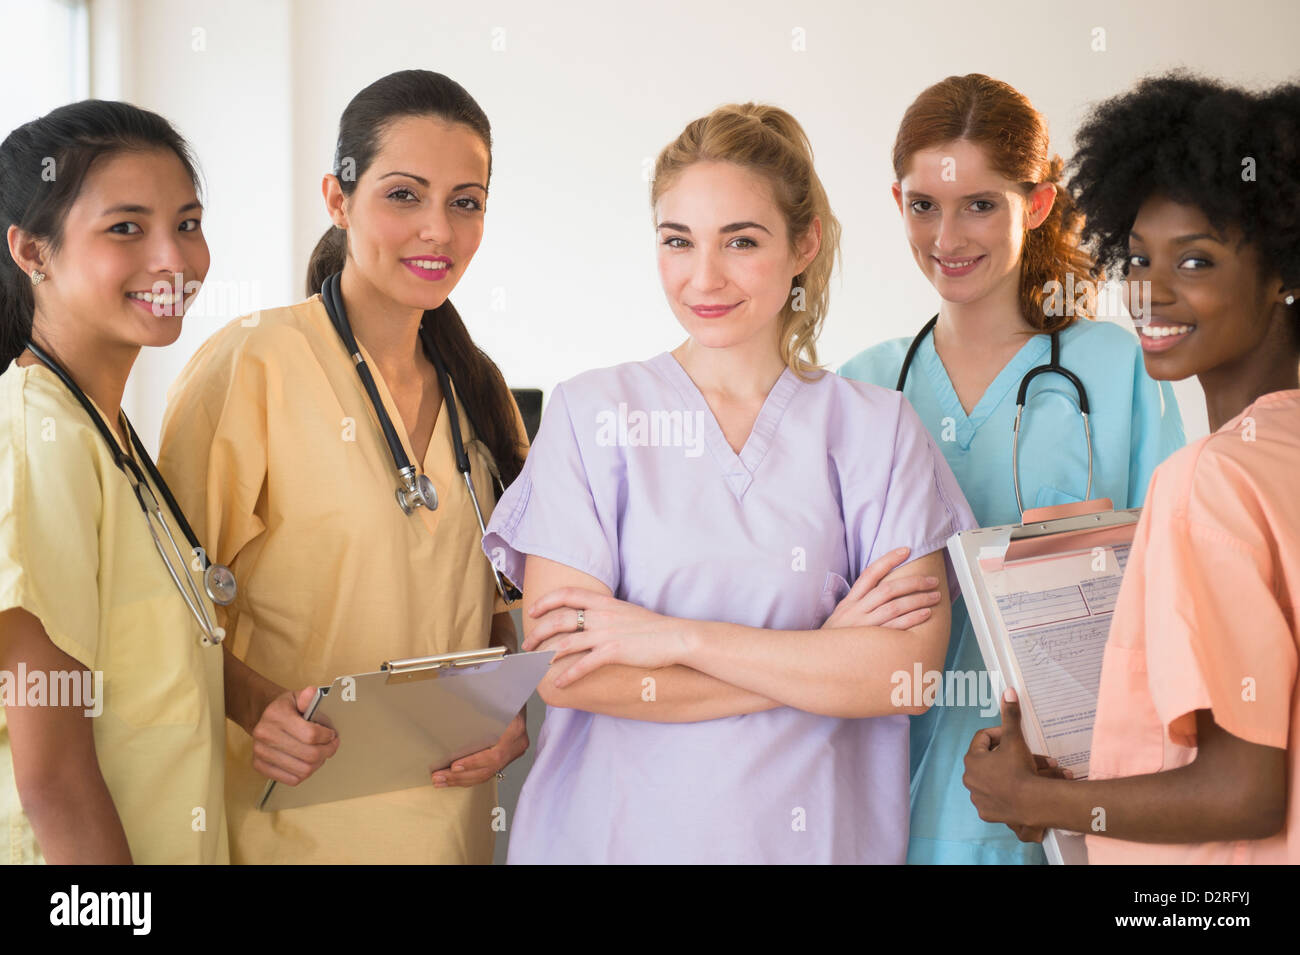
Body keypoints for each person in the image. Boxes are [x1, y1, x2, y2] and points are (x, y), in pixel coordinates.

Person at [482, 102, 977, 864]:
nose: (703, 277)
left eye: (741, 241)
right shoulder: (593, 415)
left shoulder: (879, 432)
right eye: (678, 241)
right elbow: (570, 675)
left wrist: (672, 637)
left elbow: (902, 676)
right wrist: (818, 659)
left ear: (803, 244)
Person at [158, 70, 530, 864]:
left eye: (465, 201)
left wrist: (506, 706)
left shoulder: (478, 384)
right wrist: (259, 707)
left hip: (448, 823)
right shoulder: (254, 362)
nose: (438, 229)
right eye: (405, 195)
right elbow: (162, 609)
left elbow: (488, 598)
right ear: (338, 198)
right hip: (291, 822)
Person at [837, 74, 1185, 864]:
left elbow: (1169, 592)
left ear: (1037, 204)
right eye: (924, 204)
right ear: (897, 203)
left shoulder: (1113, 370)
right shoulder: (862, 383)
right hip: (884, 783)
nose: (948, 236)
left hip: (1052, 788)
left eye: (980, 204)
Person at [963, 72, 1299, 862]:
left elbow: (1244, 789)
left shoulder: (1210, 479)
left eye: (1196, 263)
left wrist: (1034, 798)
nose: (1149, 293)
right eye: (1139, 258)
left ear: (1285, 273)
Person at [0, 100, 227, 863]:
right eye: (126, 228)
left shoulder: (103, 430)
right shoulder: (39, 438)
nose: (173, 259)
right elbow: (52, 776)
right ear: (33, 251)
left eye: (187, 223)